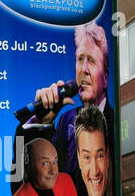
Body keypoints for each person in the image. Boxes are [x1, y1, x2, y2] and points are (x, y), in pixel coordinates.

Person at [21, 23, 114, 179]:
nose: (83, 69)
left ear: (105, 78)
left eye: (91, 61)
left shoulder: (115, 124)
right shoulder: (67, 120)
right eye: (80, 59)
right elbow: (45, 180)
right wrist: (42, 124)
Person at [74, 104, 111, 196]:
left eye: (100, 156)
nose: (95, 171)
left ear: (107, 157)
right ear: (79, 159)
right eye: (87, 158)